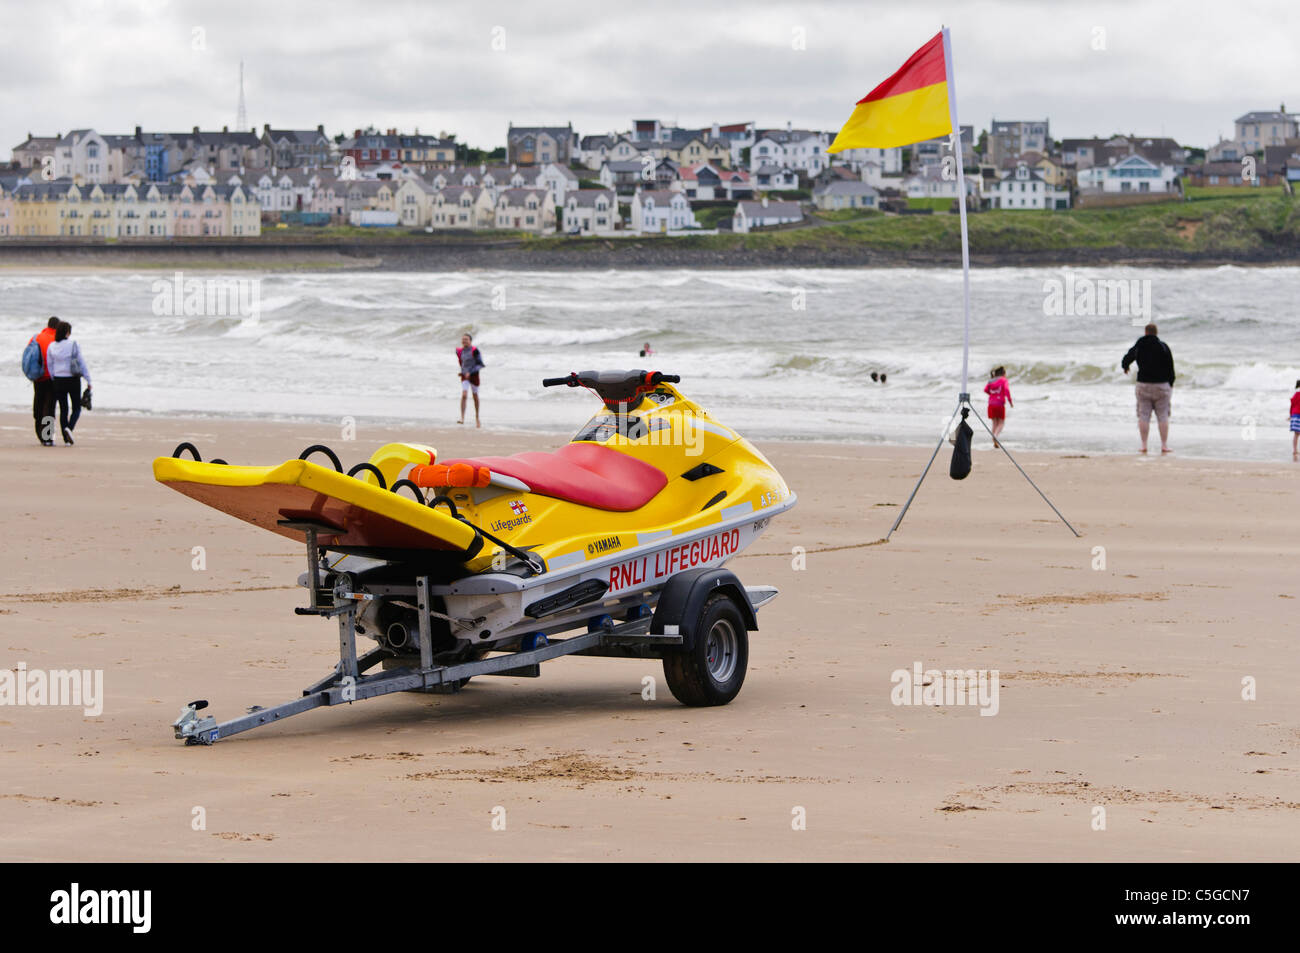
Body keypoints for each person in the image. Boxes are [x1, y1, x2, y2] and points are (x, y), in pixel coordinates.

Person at [1122, 323, 1176, 454]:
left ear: (1146, 332)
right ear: (1156, 333)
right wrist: (1170, 384)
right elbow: (1171, 367)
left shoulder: (1140, 345)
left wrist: (1125, 366)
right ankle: (1164, 445)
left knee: (1144, 416)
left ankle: (1144, 445)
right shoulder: (1163, 346)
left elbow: (1128, 357)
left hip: (1143, 385)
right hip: (1161, 385)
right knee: (1163, 416)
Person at [46, 320, 90, 446]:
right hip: (73, 379)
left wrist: (53, 377)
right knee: (76, 407)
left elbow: (49, 364)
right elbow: (81, 362)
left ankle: (66, 439)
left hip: (58, 379)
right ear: (67, 333)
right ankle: (69, 429)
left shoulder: (52, 346)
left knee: (63, 409)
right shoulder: (73, 344)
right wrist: (88, 379)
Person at [28, 317, 59, 446]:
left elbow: (29, 357)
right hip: (52, 378)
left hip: (38, 376)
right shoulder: (58, 340)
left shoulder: (36, 338)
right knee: (50, 407)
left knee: (39, 404)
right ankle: (48, 437)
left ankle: (40, 434)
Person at [456, 332, 484, 427]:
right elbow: (462, 362)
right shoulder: (459, 351)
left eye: (466, 339)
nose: (464, 341)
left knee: (475, 396)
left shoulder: (475, 350)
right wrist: (462, 372)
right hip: (464, 376)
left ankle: (477, 418)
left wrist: (470, 372)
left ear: (470, 341)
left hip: (474, 376)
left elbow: (480, 364)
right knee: (464, 395)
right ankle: (462, 418)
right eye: (463, 339)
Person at [984, 366, 1012, 448]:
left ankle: (994, 439)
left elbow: (986, 390)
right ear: (1003, 373)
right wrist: (1010, 401)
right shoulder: (1003, 380)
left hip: (991, 404)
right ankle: (995, 436)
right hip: (999, 404)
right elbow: (1006, 390)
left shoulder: (991, 380)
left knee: (994, 423)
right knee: (1001, 423)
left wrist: (992, 395)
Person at [1290, 379, 1300, 462]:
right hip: (1299, 415)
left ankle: (1295, 450)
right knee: (1297, 434)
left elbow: (1292, 405)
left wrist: (1290, 415)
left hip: (1294, 415)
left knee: (1296, 434)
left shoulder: (1296, 394)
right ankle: (1295, 450)